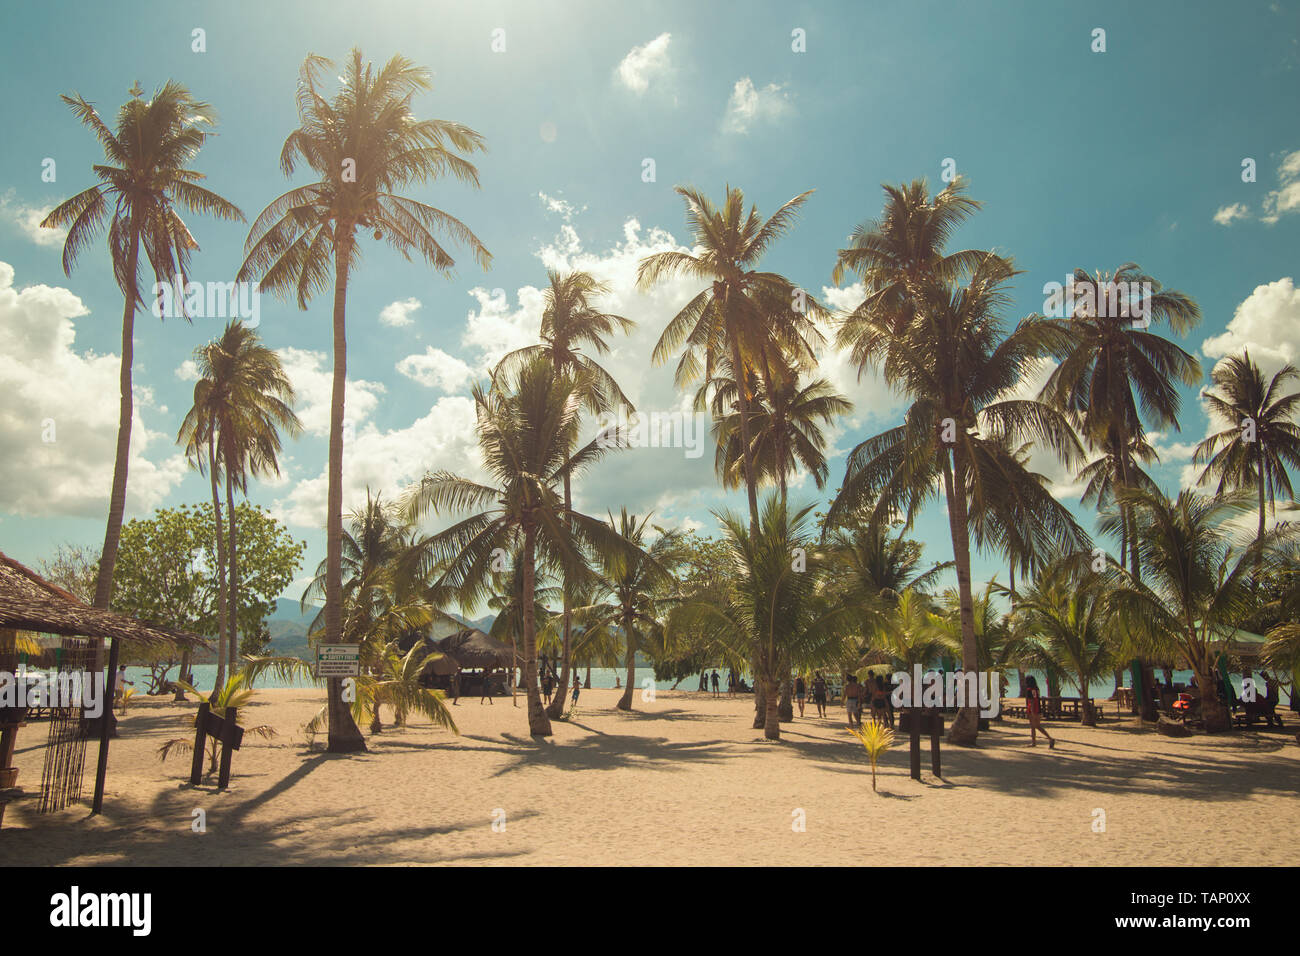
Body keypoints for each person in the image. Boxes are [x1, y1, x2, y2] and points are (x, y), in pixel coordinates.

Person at [1024, 674, 1055, 749]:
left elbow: (1031, 701)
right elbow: (1036, 699)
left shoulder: (1029, 690)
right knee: (1036, 726)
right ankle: (1034, 742)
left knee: (1034, 726)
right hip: (1038, 708)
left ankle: (1049, 738)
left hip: (1033, 709)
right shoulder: (1036, 689)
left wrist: (1031, 711)